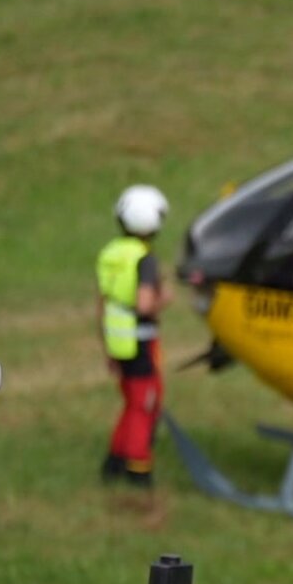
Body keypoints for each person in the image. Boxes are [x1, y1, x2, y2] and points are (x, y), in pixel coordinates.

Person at [98, 185, 174, 486]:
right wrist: (163, 299)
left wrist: (106, 349)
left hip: (117, 342)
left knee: (131, 401)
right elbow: (144, 304)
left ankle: (114, 461)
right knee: (146, 403)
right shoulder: (145, 259)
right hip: (141, 342)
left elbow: (101, 303)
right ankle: (138, 467)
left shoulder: (112, 254)